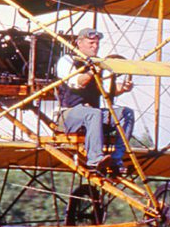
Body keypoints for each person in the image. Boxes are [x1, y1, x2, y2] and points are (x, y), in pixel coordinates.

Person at [55, 27, 135, 172]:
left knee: (126, 113)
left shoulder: (97, 63)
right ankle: (95, 160)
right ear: (79, 43)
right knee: (93, 113)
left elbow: (106, 90)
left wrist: (123, 88)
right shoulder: (67, 60)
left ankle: (117, 158)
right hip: (68, 114)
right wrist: (93, 71)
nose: (95, 46)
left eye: (97, 43)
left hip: (91, 115)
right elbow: (78, 82)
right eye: (91, 42)